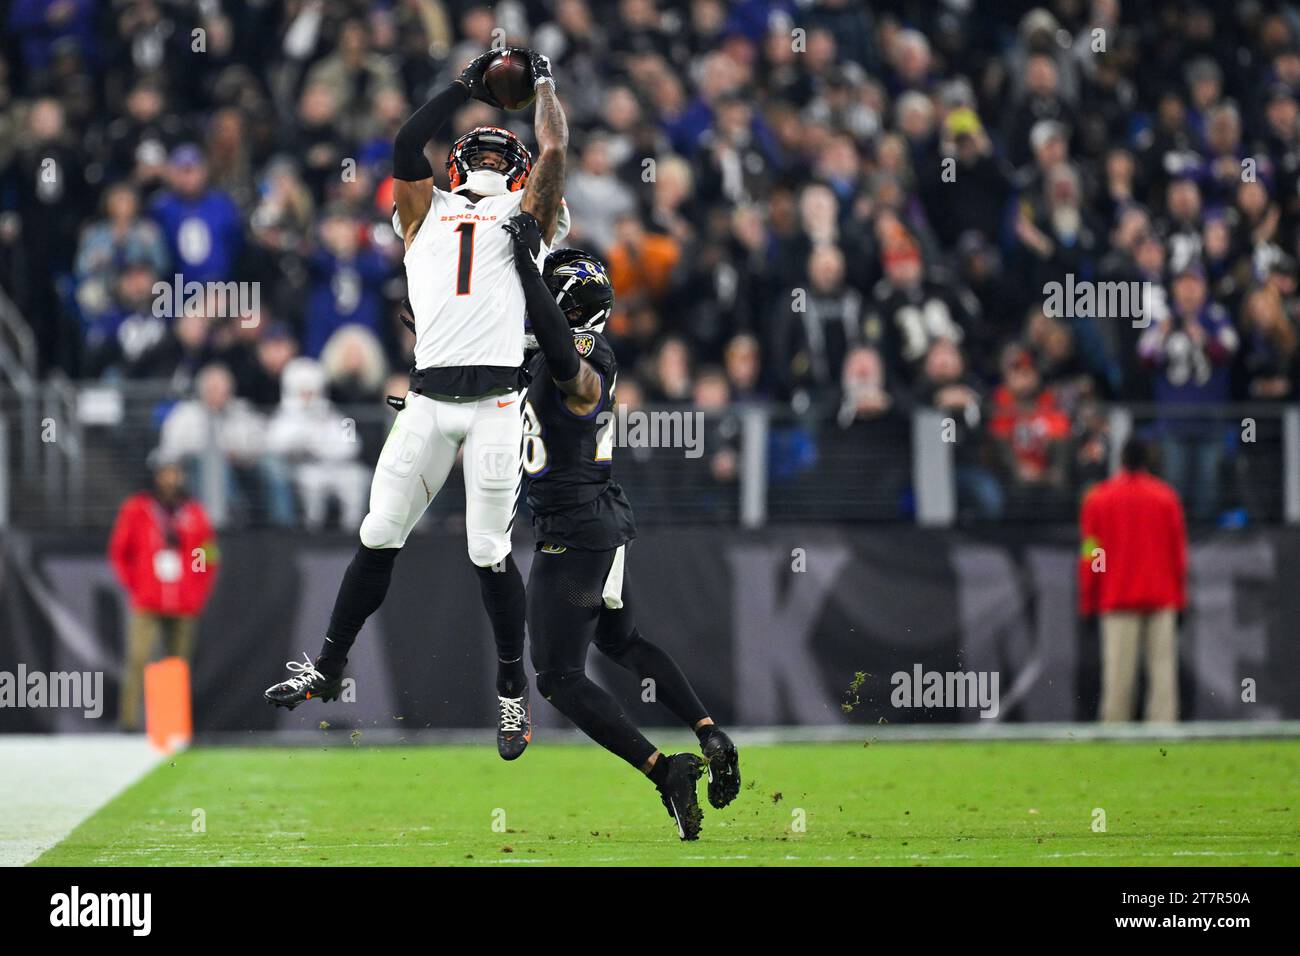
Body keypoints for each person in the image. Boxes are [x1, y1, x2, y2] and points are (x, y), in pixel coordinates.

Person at [264, 48, 569, 762]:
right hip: (434, 399)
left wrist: (465, 89)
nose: (496, 156)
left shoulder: (473, 211)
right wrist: (532, 84)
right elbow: (542, 144)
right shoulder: (438, 209)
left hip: (492, 400)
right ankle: (332, 665)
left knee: (486, 549)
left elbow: (420, 144)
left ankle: (509, 691)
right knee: (380, 531)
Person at [502, 210, 740, 840]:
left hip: (576, 532)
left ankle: (666, 772)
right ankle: (709, 733)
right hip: (598, 517)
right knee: (622, 642)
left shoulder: (583, 359)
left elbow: (560, 355)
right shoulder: (563, 352)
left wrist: (527, 266)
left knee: (556, 676)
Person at [1078, 437, 1188, 722]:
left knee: (1117, 674)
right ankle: (1163, 732)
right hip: (1161, 595)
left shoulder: (1099, 499)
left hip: (1117, 597)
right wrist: (1179, 597)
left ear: (1121, 459)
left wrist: (1092, 596)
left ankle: (1115, 732)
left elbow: (1093, 553)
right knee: (1163, 672)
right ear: (1147, 460)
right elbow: (1177, 553)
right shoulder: (1166, 497)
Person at [108, 459, 219, 731]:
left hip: (183, 600)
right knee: (138, 657)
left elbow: (206, 555)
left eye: (174, 474)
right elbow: (120, 552)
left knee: (177, 663)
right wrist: (136, 584)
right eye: (165, 474)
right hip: (148, 598)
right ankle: (129, 721)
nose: (170, 480)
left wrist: (196, 589)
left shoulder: (194, 513)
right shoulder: (138, 509)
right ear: (155, 477)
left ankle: (170, 722)